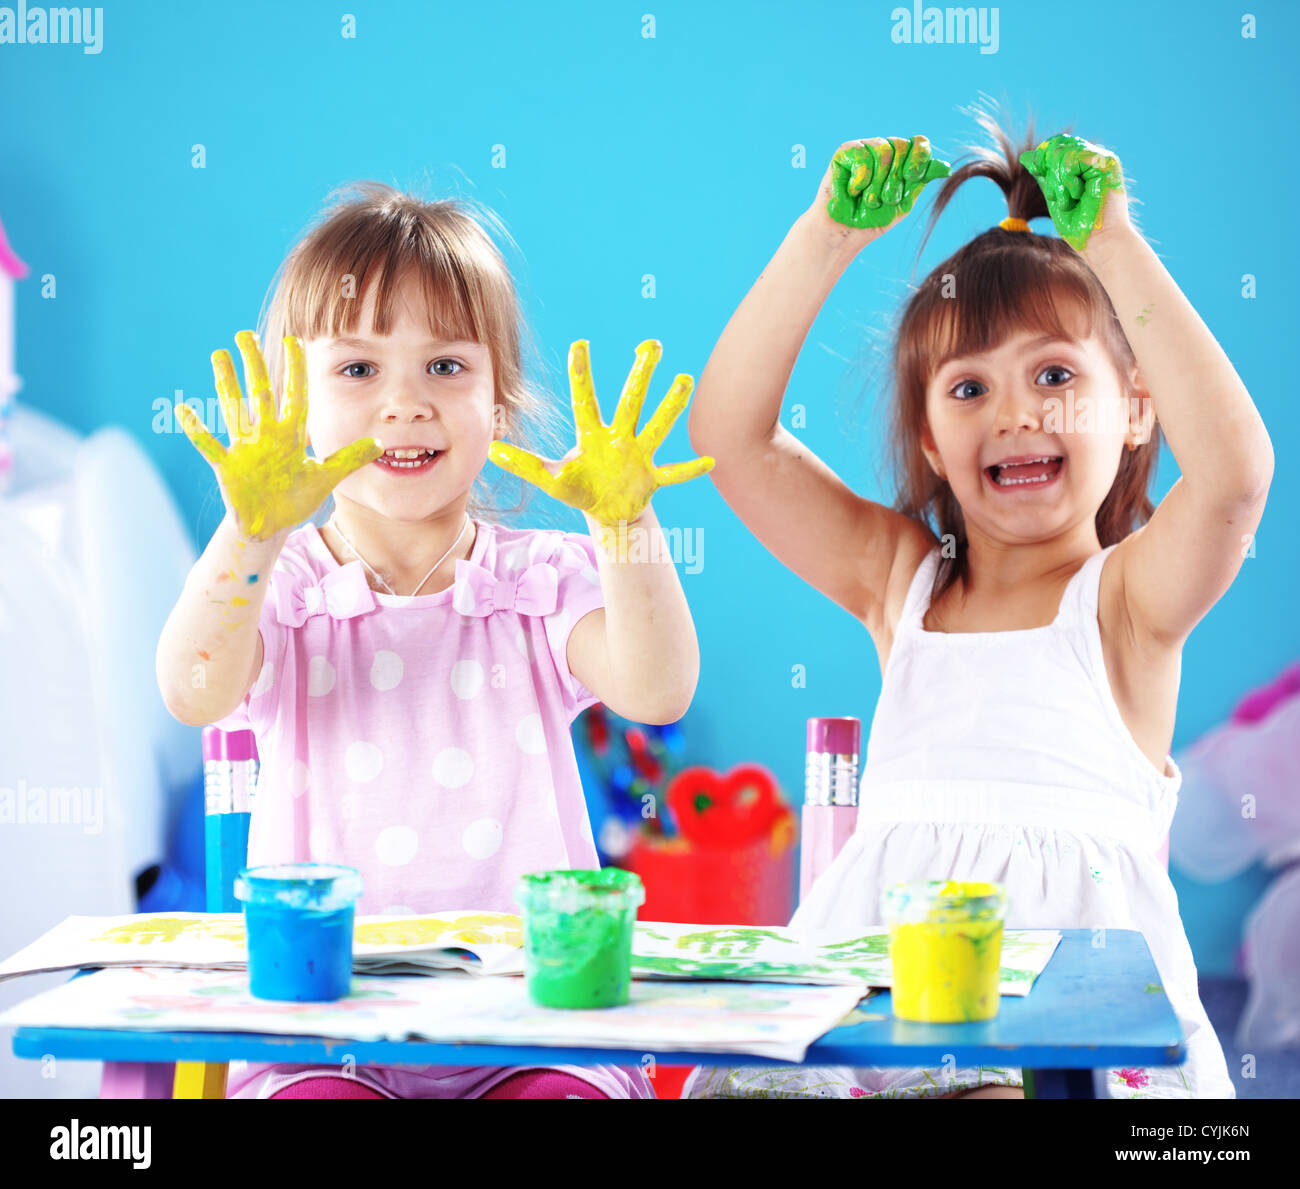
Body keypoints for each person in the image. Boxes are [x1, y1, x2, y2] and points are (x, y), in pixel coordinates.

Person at [681, 108, 1271, 1099]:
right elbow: (731, 438)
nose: (1014, 412)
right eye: (967, 389)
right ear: (926, 439)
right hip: (875, 1015)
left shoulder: (1125, 603)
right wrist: (823, 236)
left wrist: (1113, 244)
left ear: (1134, 410)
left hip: (1060, 1032)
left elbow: (1234, 476)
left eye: (1053, 373)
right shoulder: (899, 584)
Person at [157, 182, 712, 1099]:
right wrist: (247, 534)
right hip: (322, 1031)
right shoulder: (282, 585)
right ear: (295, 402)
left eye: (446, 367)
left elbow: (657, 690)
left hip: (540, 1023)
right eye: (358, 370)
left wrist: (627, 524)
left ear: (500, 403)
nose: (405, 404)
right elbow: (193, 688)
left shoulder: (539, 580)